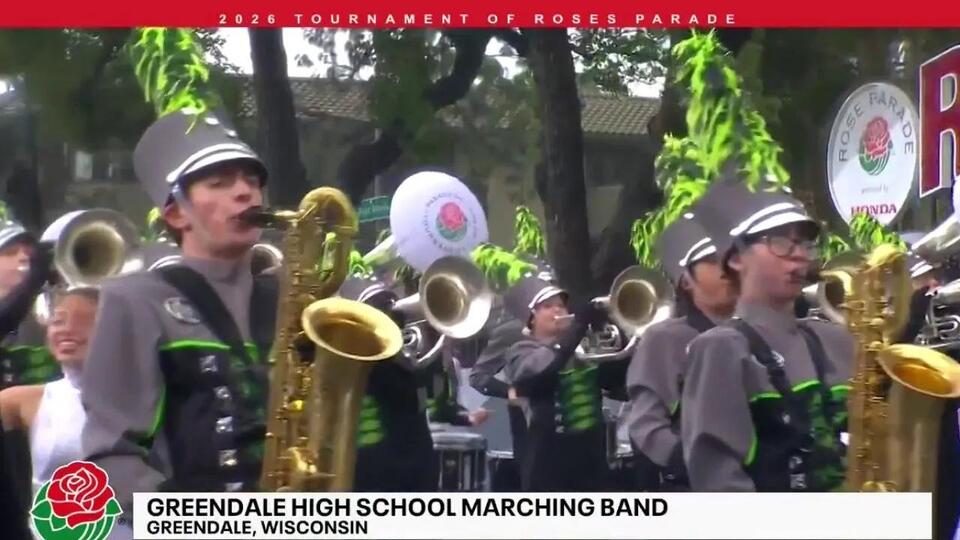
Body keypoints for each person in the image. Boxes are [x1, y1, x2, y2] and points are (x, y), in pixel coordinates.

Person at [81, 110, 277, 529]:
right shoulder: (134, 300)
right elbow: (113, 457)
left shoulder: (290, 300)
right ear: (175, 214)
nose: (244, 192)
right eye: (219, 183)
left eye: (252, 179)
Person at [680, 179, 854, 492]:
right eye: (780, 241)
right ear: (735, 258)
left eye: (803, 243)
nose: (799, 254)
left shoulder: (837, 337)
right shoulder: (720, 348)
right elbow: (719, 483)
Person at [625, 213, 736, 491]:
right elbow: (646, 426)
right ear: (686, 280)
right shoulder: (665, 338)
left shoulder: (760, 330)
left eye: (730, 257)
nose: (726, 269)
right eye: (712, 261)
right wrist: (696, 463)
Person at [502, 276, 613, 491]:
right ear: (531, 317)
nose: (558, 311)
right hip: (547, 462)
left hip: (593, 460)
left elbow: (617, 387)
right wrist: (577, 328)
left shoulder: (586, 347)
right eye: (547, 306)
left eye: (561, 306)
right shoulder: (520, 350)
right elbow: (537, 376)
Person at [0, 287, 98, 500]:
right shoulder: (21, 401)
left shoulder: (151, 397)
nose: (68, 329)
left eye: (84, 320)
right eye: (58, 321)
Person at [0, 222, 60, 390]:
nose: (25, 258)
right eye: (10, 253)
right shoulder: (31, 287)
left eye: (30, 254)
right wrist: (34, 278)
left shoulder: (52, 303)